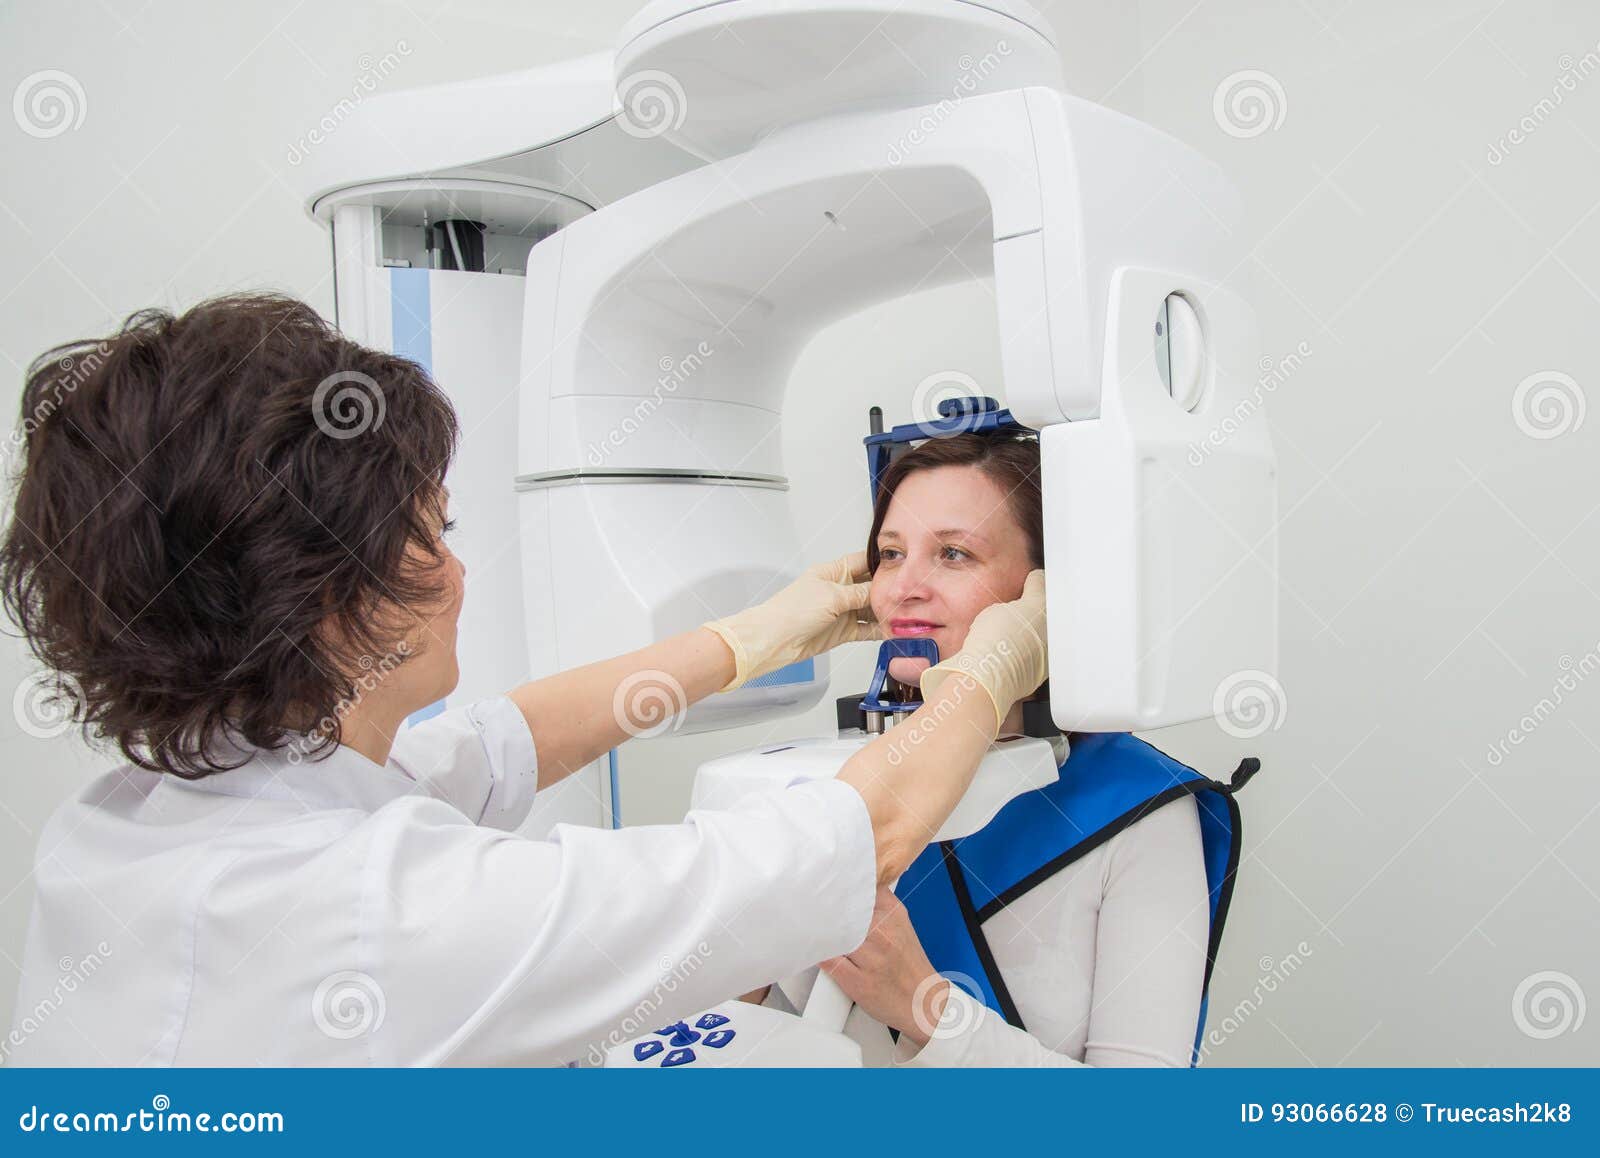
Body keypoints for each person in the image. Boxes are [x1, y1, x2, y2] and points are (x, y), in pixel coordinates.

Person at [0, 294, 1047, 1066]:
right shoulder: (377, 917)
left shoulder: (132, 823)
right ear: (326, 598)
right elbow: (854, 836)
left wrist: (755, 637)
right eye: (431, 536)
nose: (458, 572)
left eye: (953, 555)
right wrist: (997, 661)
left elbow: (508, 739)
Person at [750, 431, 1244, 1067]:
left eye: (953, 554)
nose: (905, 586)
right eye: (891, 554)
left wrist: (926, 1007)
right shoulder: (816, 782)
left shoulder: (1141, 812)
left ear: (1048, 589)